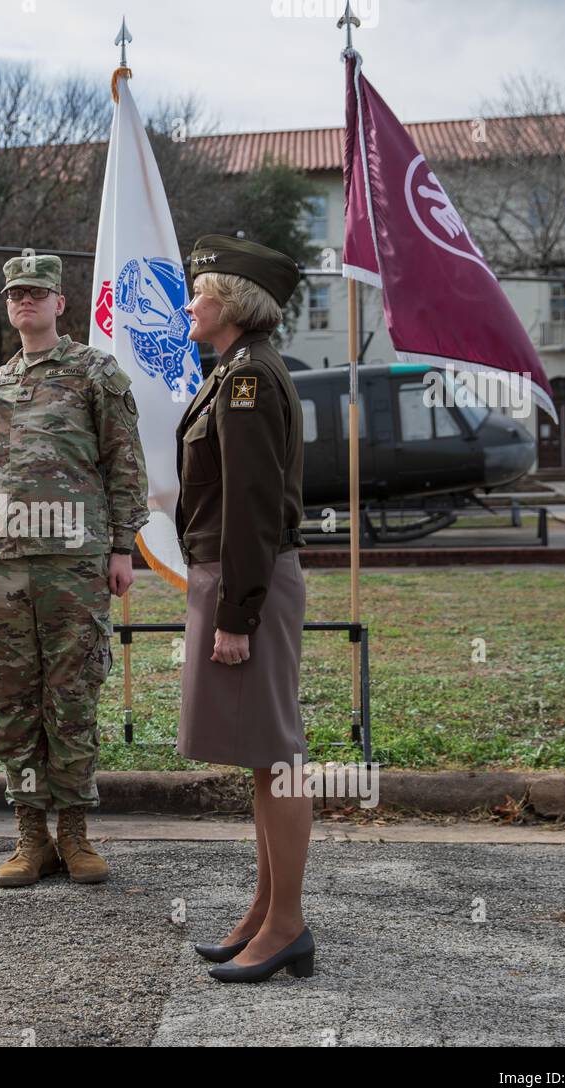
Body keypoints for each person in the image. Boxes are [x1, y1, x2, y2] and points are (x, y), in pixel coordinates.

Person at [0, 252, 149, 888]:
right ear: (8, 307)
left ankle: (76, 831)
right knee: (11, 696)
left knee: (73, 691)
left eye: (37, 293)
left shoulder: (93, 370)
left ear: (60, 303)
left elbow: (124, 460)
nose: (26, 302)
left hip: (75, 560)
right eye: (16, 295)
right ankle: (31, 831)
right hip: (5, 560)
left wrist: (124, 548)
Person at [174, 234, 314, 982]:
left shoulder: (247, 379)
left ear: (230, 301)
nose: (190, 302)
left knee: (277, 756)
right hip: (235, 578)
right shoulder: (236, 371)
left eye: (200, 290)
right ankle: (267, 911)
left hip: (244, 580)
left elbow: (255, 508)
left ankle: (286, 924)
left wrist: (238, 614)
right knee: (264, 758)